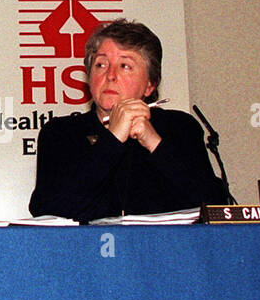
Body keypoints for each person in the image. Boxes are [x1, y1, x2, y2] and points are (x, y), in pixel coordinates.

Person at [28, 19, 223, 221]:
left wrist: (154, 142)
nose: (110, 75)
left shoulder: (180, 127)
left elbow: (214, 206)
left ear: (150, 85)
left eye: (125, 66)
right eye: (101, 64)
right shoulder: (61, 133)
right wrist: (112, 139)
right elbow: (47, 209)